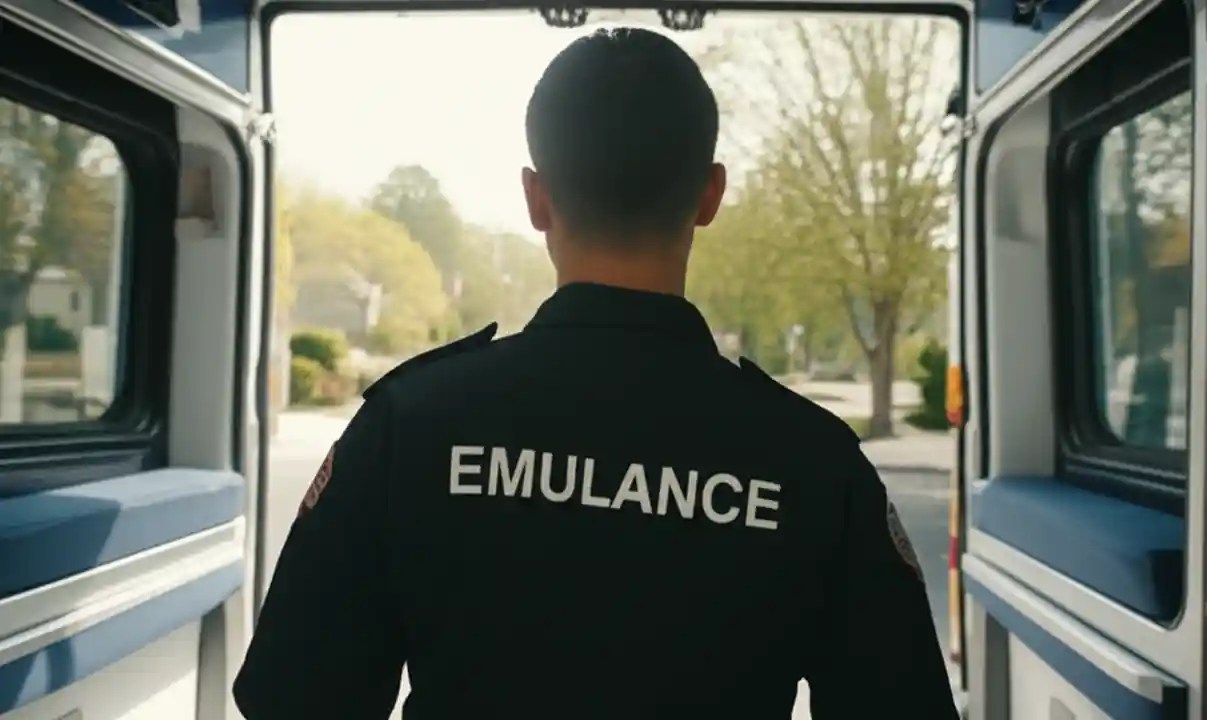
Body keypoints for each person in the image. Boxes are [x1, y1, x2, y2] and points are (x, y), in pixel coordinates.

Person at [233, 26, 957, 720]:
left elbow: (293, 698)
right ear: (710, 195)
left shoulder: (409, 423)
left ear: (535, 197)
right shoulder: (814, 462)